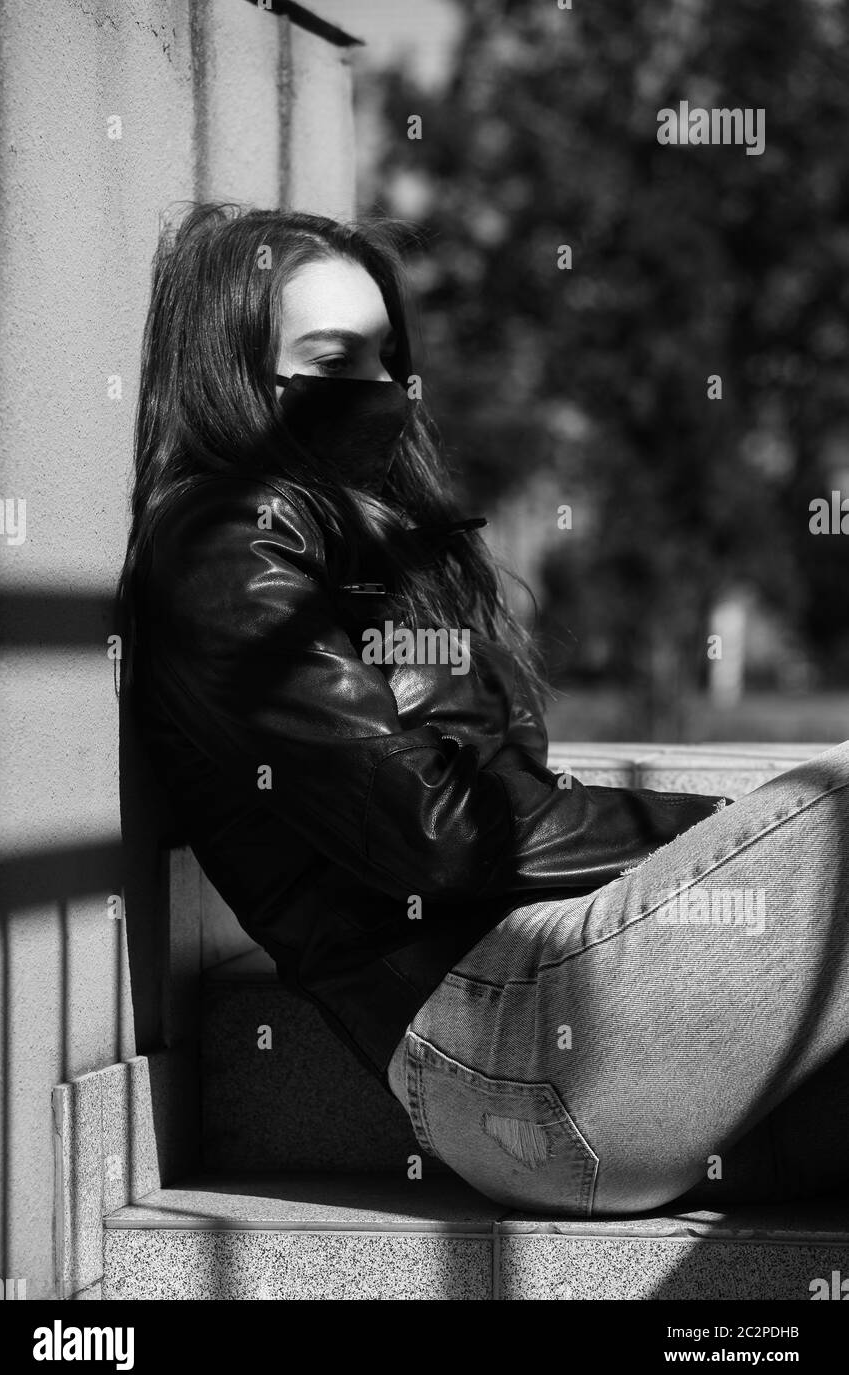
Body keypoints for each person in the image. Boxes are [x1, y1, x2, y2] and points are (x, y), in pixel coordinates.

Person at [117, 202, 849, 1217]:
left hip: (592, 1029)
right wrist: (740, 837)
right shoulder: (219, 545)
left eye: (383, 357)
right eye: (334, 357)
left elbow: (516, 802)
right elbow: (441, 833)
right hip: (515, 1050)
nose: (376, 389)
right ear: (236, 369)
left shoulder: (371, 541)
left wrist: (742, 848)